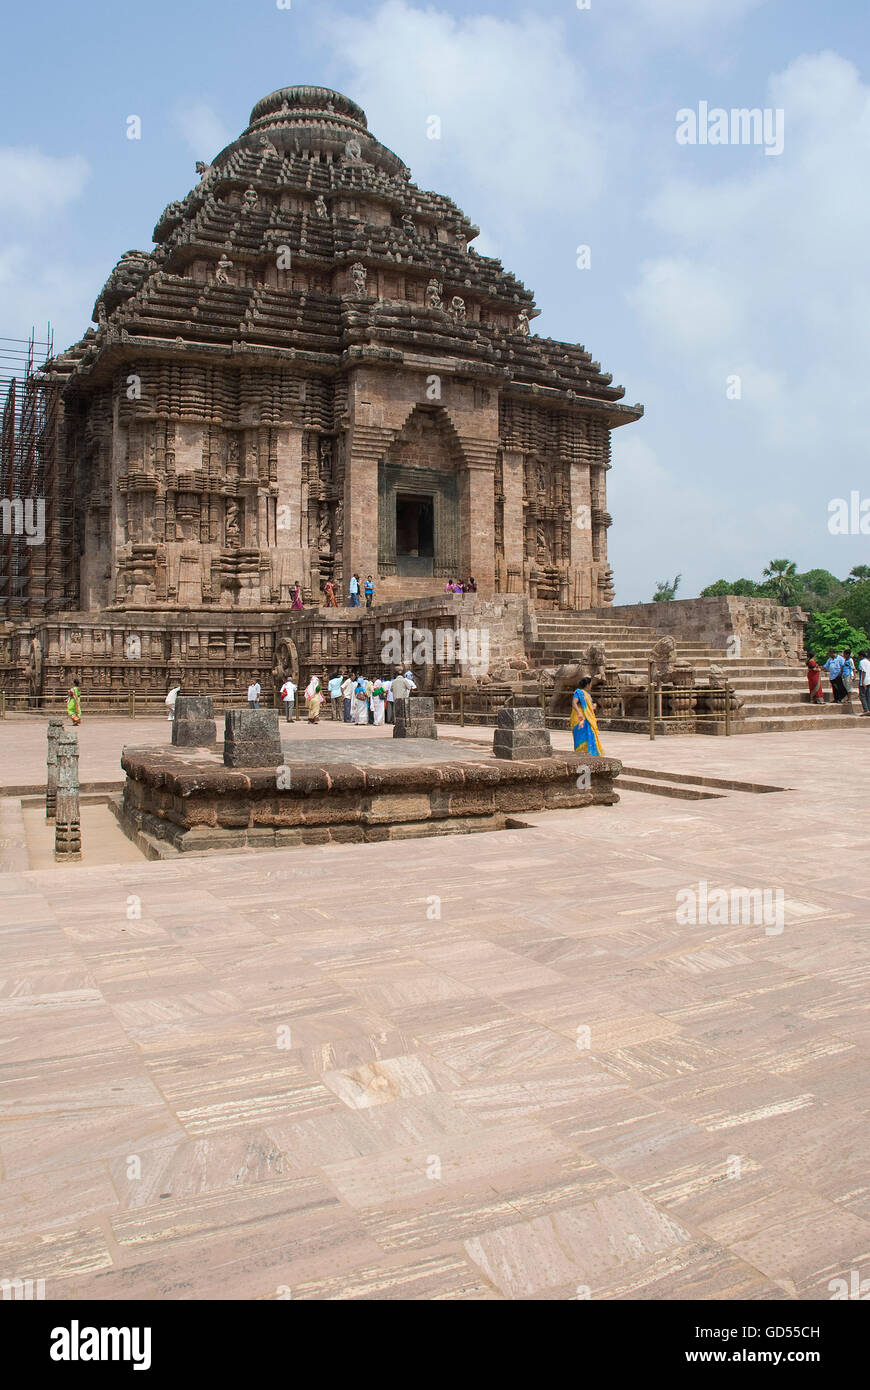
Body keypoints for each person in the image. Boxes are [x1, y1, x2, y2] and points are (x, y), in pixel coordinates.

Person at [571, 677, 603, 754]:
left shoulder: (588, 695)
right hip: (580, 718)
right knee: (580, 736)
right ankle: (580, 753)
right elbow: (574, 703)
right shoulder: (578, 692)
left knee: (590, 734)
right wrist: (579, 712)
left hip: (588, 718)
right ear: (588, 684)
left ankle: (591, 753)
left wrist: (593, 706)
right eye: (591, 684)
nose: (591, 685)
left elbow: (589, 707)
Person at [859, 650, 870, 715]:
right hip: (869, 680)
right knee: (868, 696)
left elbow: (863, 671)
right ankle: (868, 709)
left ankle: (866, 709)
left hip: (864, 680)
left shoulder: (862, 662)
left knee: (862, 695)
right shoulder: (868, 662)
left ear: (861, 656)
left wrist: (862, 681)